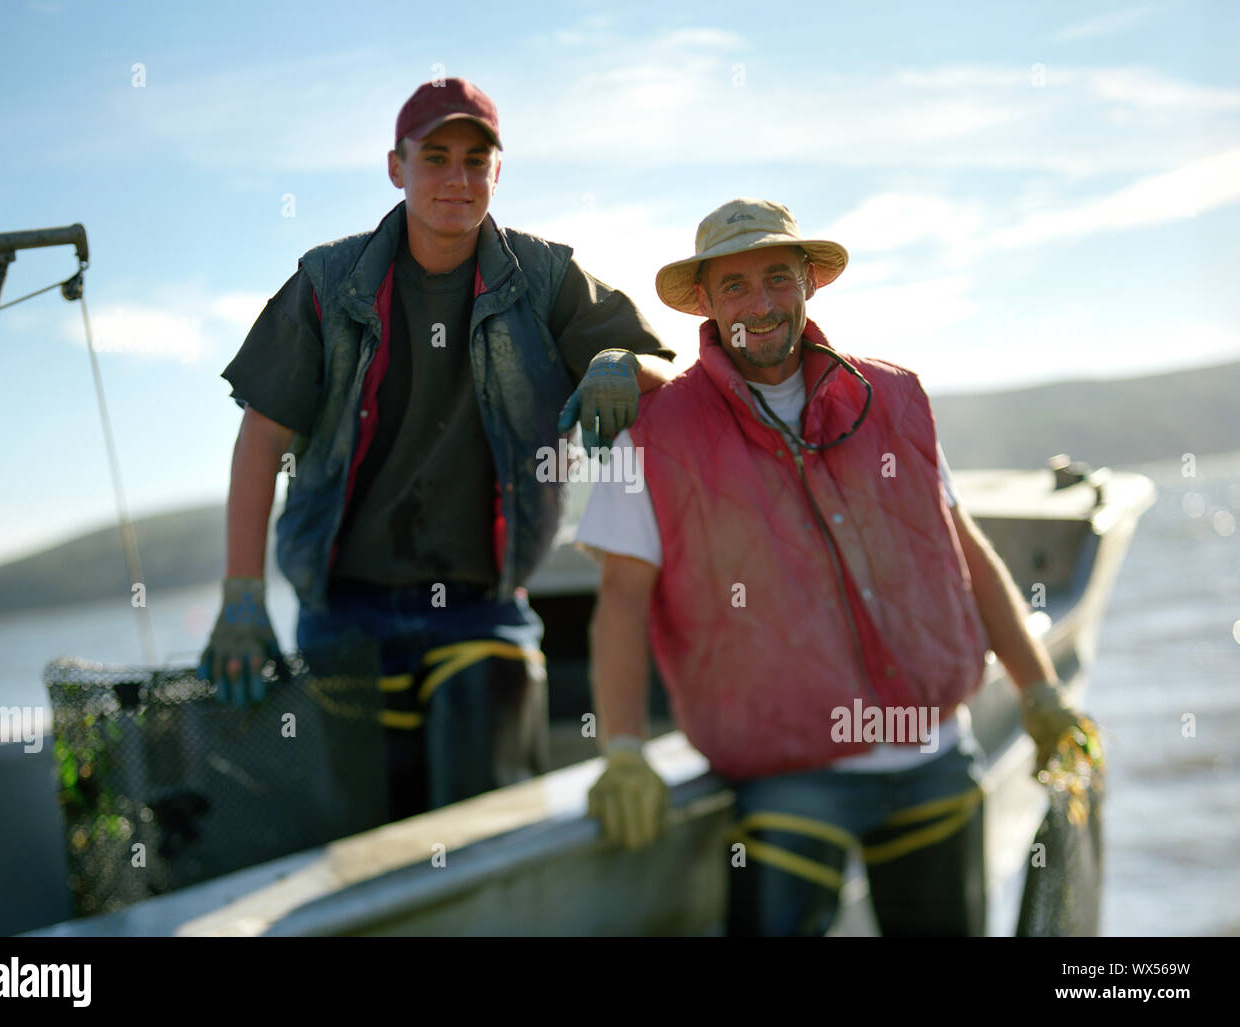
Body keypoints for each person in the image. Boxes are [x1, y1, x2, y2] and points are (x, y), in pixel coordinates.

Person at [577, 198, 1089, 936]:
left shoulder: (896, 398)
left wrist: (1040, 691)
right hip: (788, 784)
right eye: (735, 286)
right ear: (709, 304)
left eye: (777, 278)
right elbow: (622, 602)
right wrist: (622, 750)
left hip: (935, 757)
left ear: (809, 285)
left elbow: (964, 549)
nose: (760, 303)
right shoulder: (653, 434)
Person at [198, 78, 674, 822]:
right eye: (436, 158)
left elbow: (658, 372)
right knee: (354, 836)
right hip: (343, 606)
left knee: (487, 810)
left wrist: (622, 363)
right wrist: (240, 595)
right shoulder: (327, 281)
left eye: (475, 161)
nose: (457, 179)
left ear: (497, 172)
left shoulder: (546, 277)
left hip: (481, 607)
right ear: (397, 166)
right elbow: (262, 436)